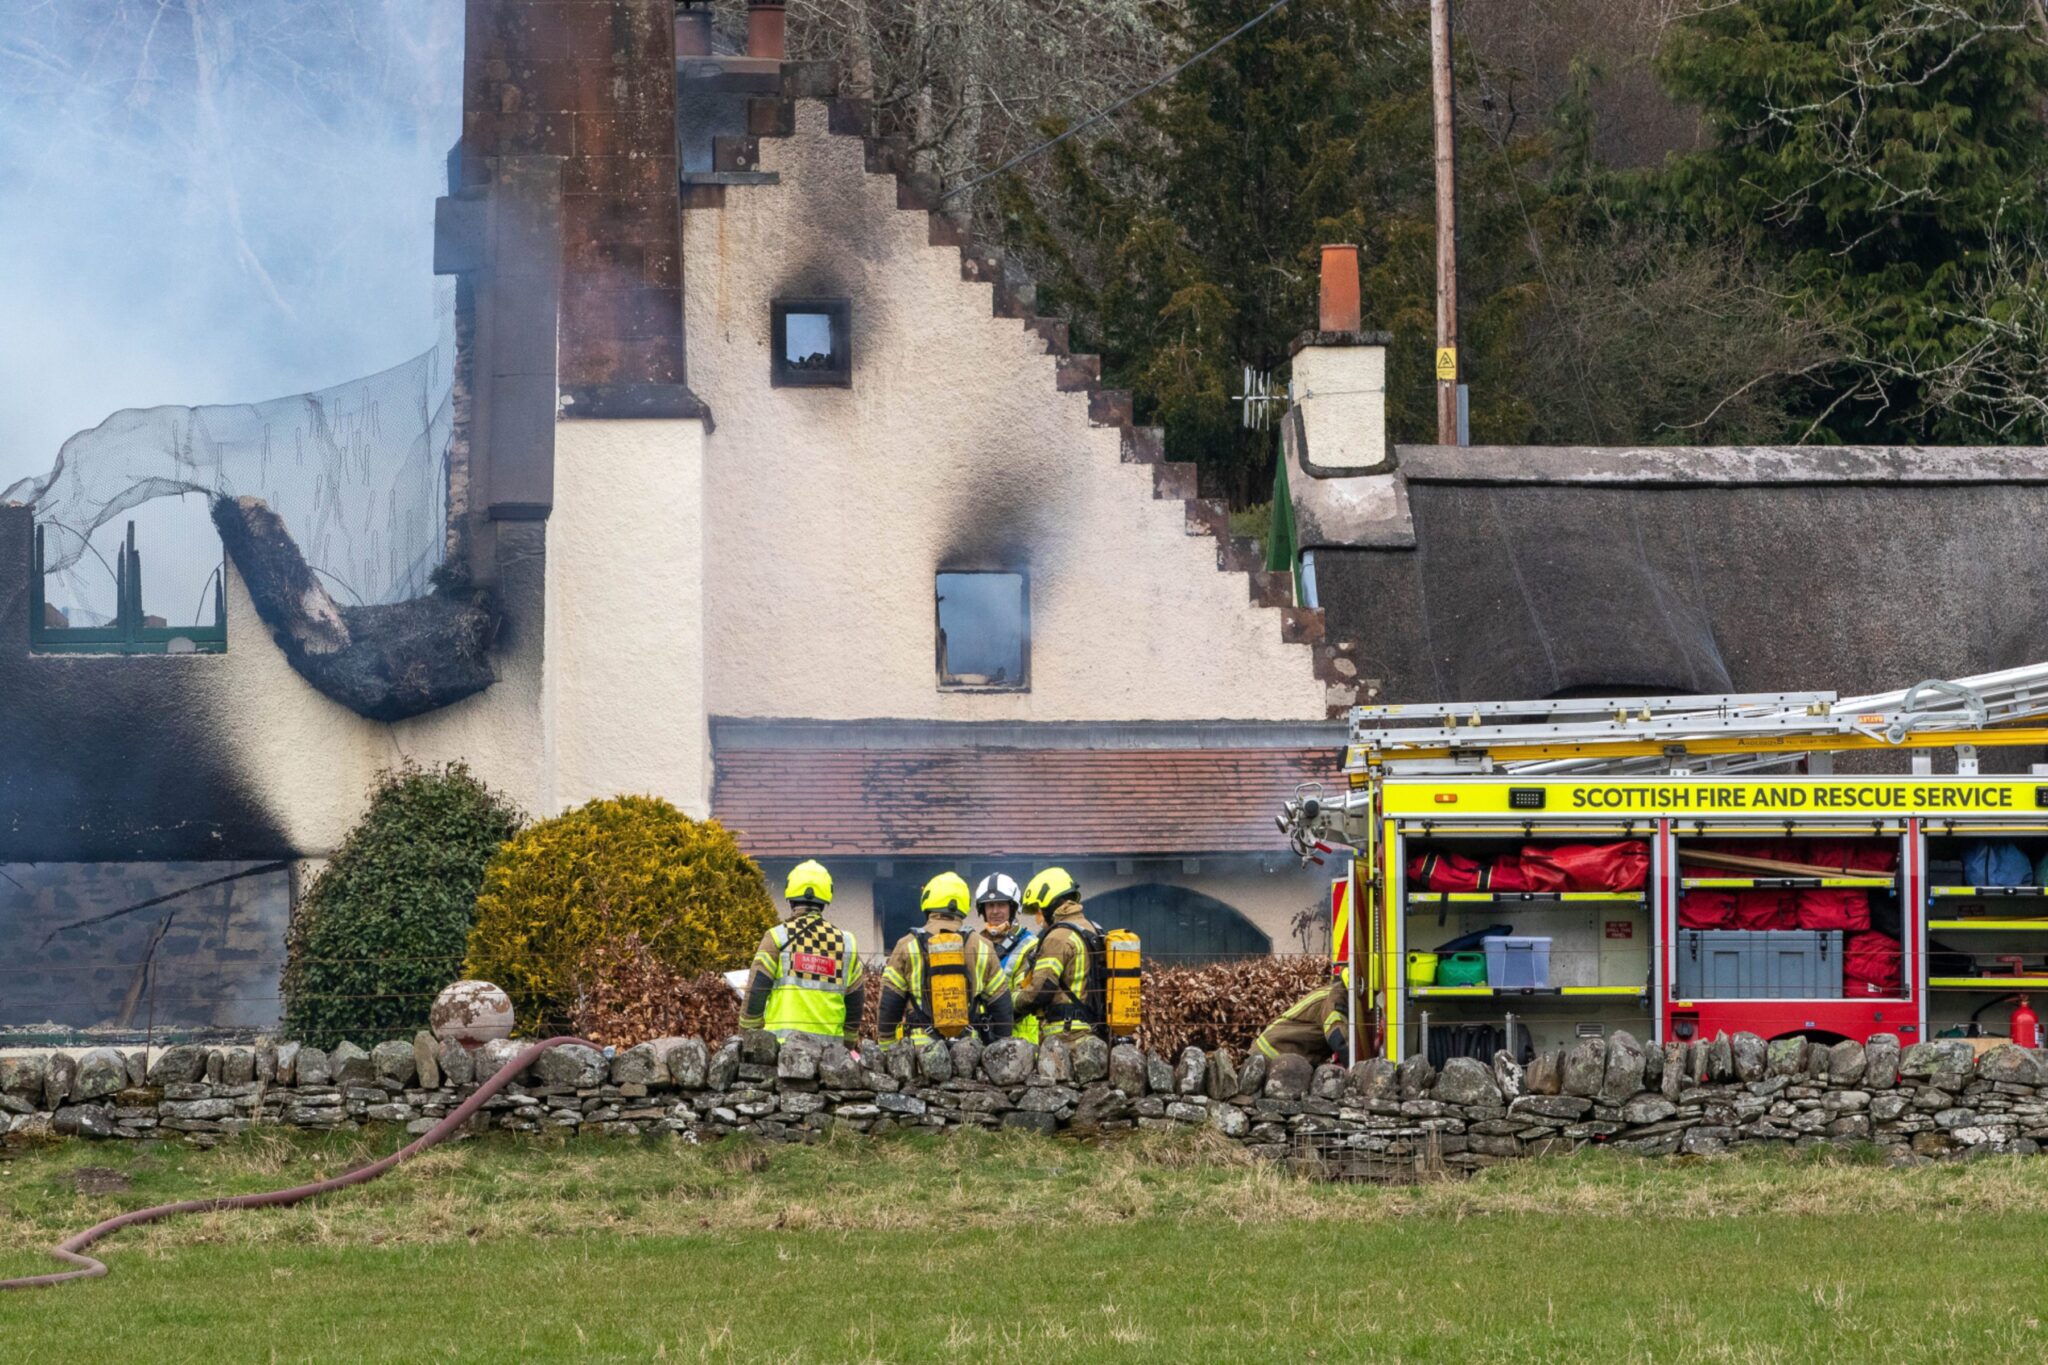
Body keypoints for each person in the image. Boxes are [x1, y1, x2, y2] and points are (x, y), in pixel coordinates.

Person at [739, 859, 865, 1049]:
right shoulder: (846, 943)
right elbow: (855, 1002)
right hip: (830, 1053)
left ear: (790, 897)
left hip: (782, 1050)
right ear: (826, 899)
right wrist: (847, 1045)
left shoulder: (777, 937)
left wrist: (748, 1038)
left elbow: (757, 992)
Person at [878, 872, 1014, 1044]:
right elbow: (1002, 1006)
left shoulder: (907, 945)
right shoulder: (982, 946)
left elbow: (890, 1003)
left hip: (921, 1048)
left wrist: (886, 1047)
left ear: (928, 901)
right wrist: (1001, 1047)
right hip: (968, 1049)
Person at [1012, 866, 1107, 1041]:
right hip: (1091, 1031)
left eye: (1039, 910)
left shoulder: (1058, 937)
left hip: (1066, 1035)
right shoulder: (1090, 928)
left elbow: (1040, 991)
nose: (1039, 920)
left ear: (1051, 903)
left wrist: (1012, 1000)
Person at [975, 873, 1038, 1044]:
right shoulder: (975, 944)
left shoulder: (1029, 944)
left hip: (1019, 1039)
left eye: (1001, 904)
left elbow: (1024, 995)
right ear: (982, 910)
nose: (995, 911)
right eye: (990, 905)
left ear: (1012, 907)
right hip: (980, 1037)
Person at [1252, 975, 1352, 1063]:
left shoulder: (1331, 991)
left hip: (1271, 1052)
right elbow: (1338, 1035)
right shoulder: (1336, 997)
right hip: (1274, 1053)